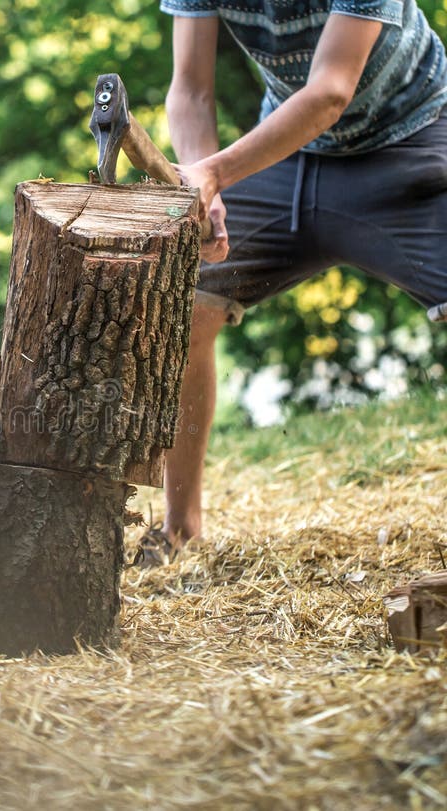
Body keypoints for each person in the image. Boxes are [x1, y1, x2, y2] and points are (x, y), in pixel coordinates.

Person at [144, 0, 447, 563]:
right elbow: (190, 90)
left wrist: (215, 172)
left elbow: (331, 91)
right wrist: (200, 193)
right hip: (291, 152)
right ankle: (181, 532)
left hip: (413, 140)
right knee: (184, 303)